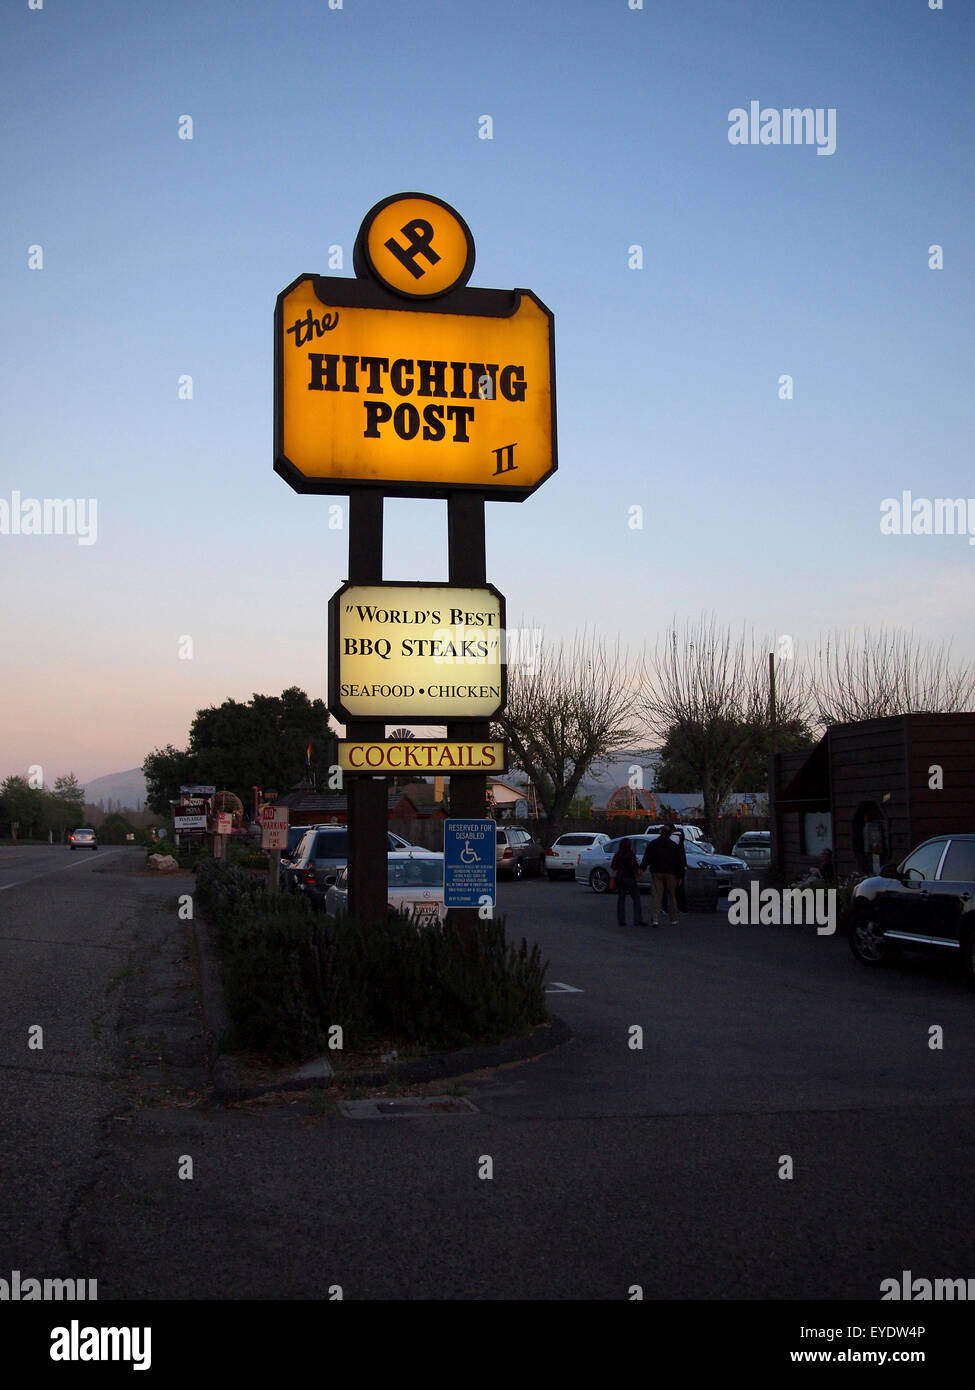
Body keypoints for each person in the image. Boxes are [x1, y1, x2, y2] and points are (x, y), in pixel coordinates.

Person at [641, 823, 686, 925]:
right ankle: (673, 918)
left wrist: (642, 868)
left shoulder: (653, 844)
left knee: (657, 895)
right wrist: (680, 875)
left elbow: (647, 857)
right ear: (670, 833)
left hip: (656, 871)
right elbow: (679, 861)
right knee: (671, 895)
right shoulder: (673, 846)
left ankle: (655, 918)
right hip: (670, 872)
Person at [611, 837, 647, 927]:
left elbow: (613, 866)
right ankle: (638, 919)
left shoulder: (618, 854)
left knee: (621, 899)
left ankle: (621, 920)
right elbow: (633, 867)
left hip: (620, 877)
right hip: (629, 878)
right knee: (636, 898)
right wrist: (637, 874)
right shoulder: (630, 854)